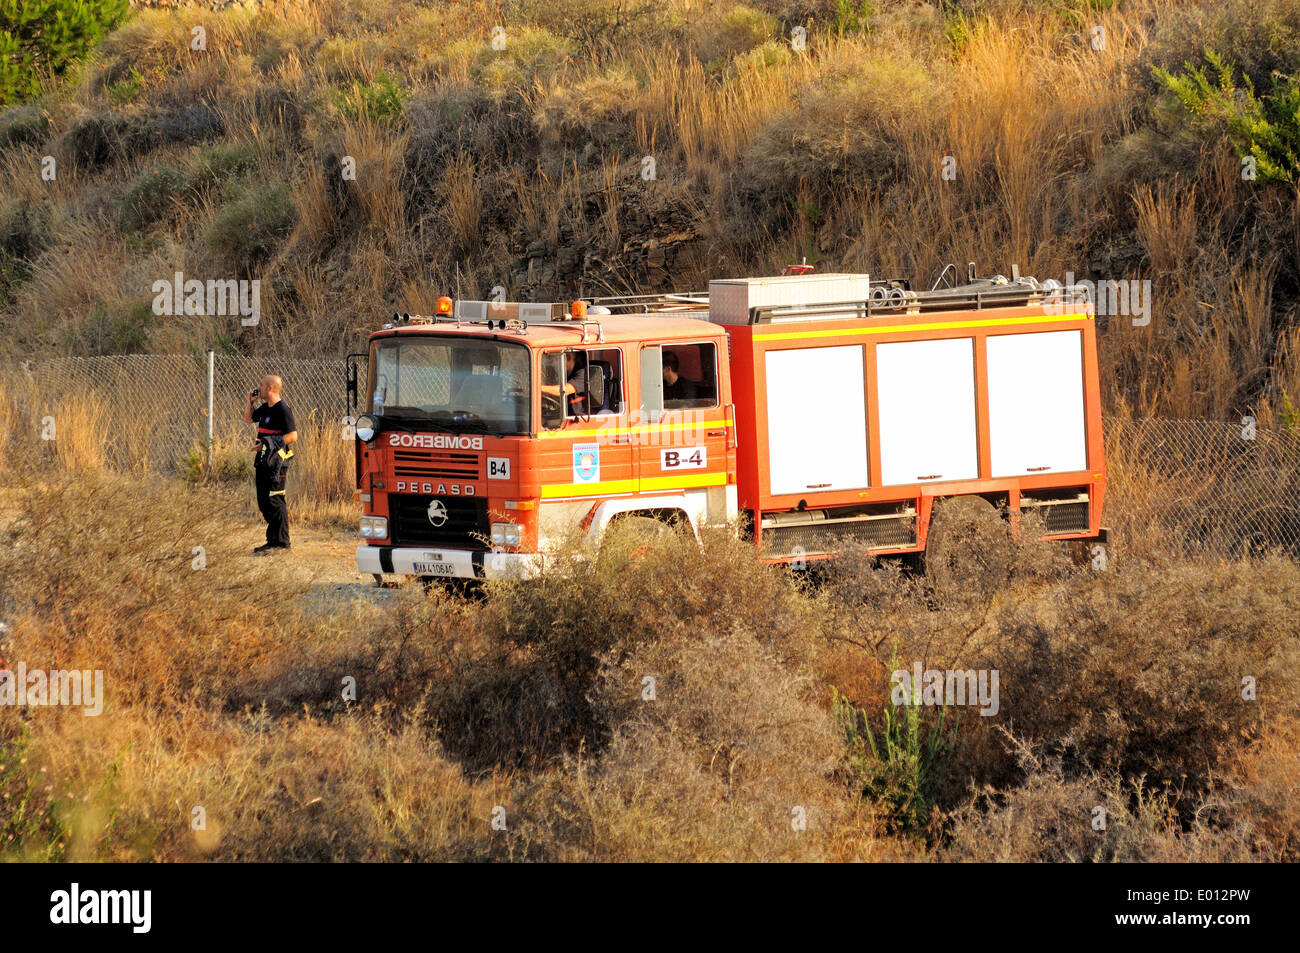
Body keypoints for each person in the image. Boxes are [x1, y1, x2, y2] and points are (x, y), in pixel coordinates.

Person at [244, 374, 298, 555]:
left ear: (269, 388)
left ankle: (282, 543)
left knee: (275, 499)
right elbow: (248, 419)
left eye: (261, 384)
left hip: (278, 462)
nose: (257, 387)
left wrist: (268, 443)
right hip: (263, 460)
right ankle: (272, 541)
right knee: (263, 501)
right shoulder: (265, 408)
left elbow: (293, 436)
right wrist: (250, 402)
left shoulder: (283, 409)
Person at [540, 350, 588, 416]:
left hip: (577, 419)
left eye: (553, 360)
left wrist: (538, 388)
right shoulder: (563, 374)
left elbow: (564, 390)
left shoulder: (582, 374)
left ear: (567, 358)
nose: (553, 365)